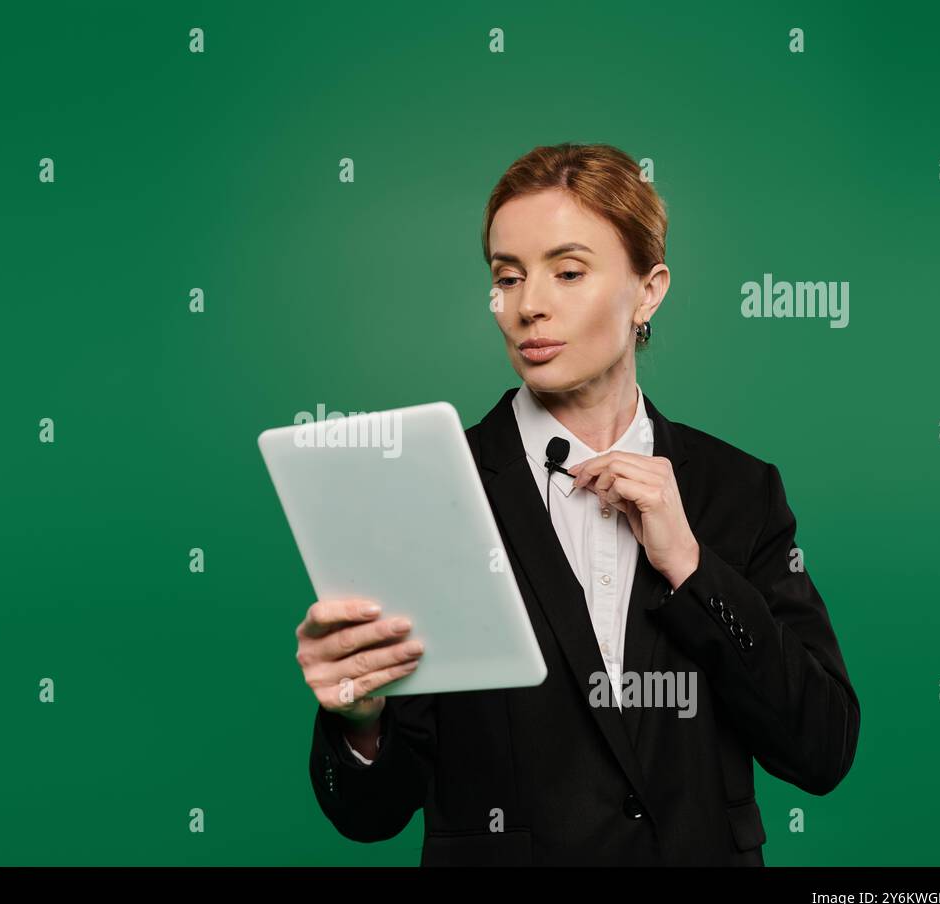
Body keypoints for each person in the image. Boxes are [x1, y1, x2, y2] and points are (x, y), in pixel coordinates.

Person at [293, 142, 859, 865]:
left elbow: (823, 749)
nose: (529, 305)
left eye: (568, 271)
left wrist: (690, 565)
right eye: (507, 277)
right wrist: (358, 717)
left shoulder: (740, 491)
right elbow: (370, 815)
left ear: (648, 290)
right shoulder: (428, 487)